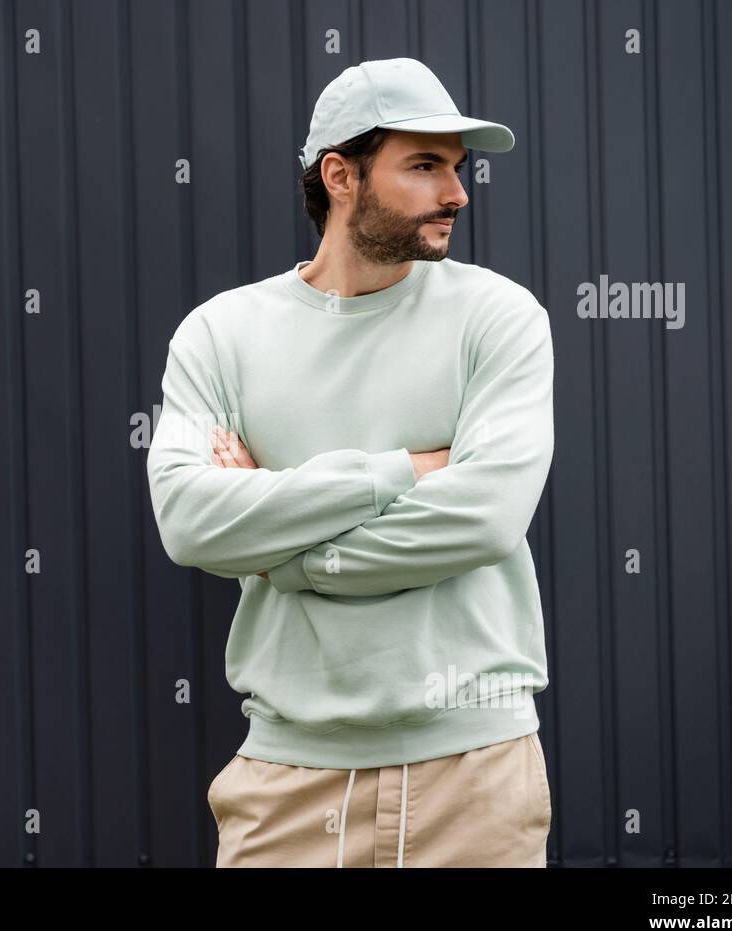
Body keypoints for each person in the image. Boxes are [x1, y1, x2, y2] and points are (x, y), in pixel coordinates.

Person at [145, 58, 555, 867]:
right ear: (340, 174)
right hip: (288, 782)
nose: (457, 194)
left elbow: (484, 517)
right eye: (425, 165)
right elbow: (191, 522)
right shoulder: (220, 334)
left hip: (476, 776)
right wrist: (402, 469)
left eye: (458, 168)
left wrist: (281, 551)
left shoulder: (499, 318)